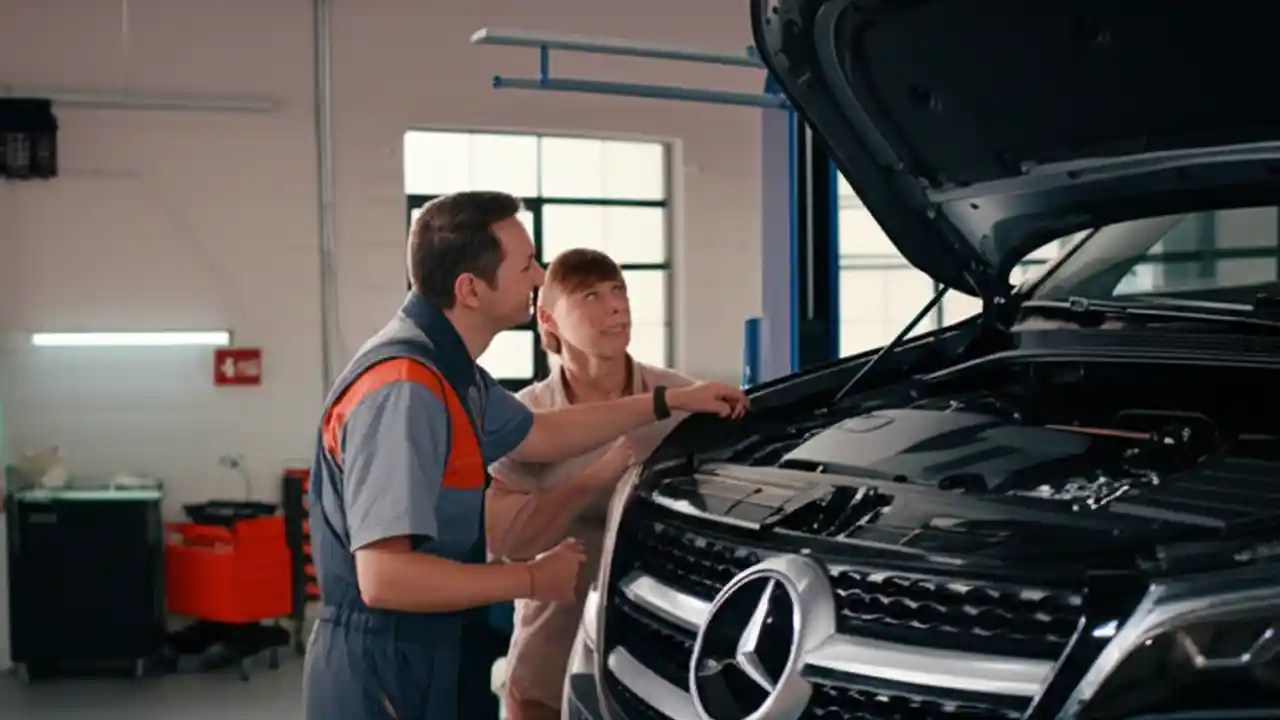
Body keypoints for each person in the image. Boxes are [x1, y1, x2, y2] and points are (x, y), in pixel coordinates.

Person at [300, 191, 748, 720]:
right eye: (526, 265)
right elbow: (384, 578)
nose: (539, 277)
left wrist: (667, 401)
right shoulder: (406, 389)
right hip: (386, 670)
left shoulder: (454, 374)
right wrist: (532, 580)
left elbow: (539, 433)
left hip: (436, 651)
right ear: (470, 289)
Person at [485, 248, 696, 720]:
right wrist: (594, 478)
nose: (616, 307)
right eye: (591, 296)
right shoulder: (528, 415)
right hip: (550, 662)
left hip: (657, 666)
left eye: (619, 291)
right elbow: (506, 542)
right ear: (548, 319)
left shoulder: (681, 403)